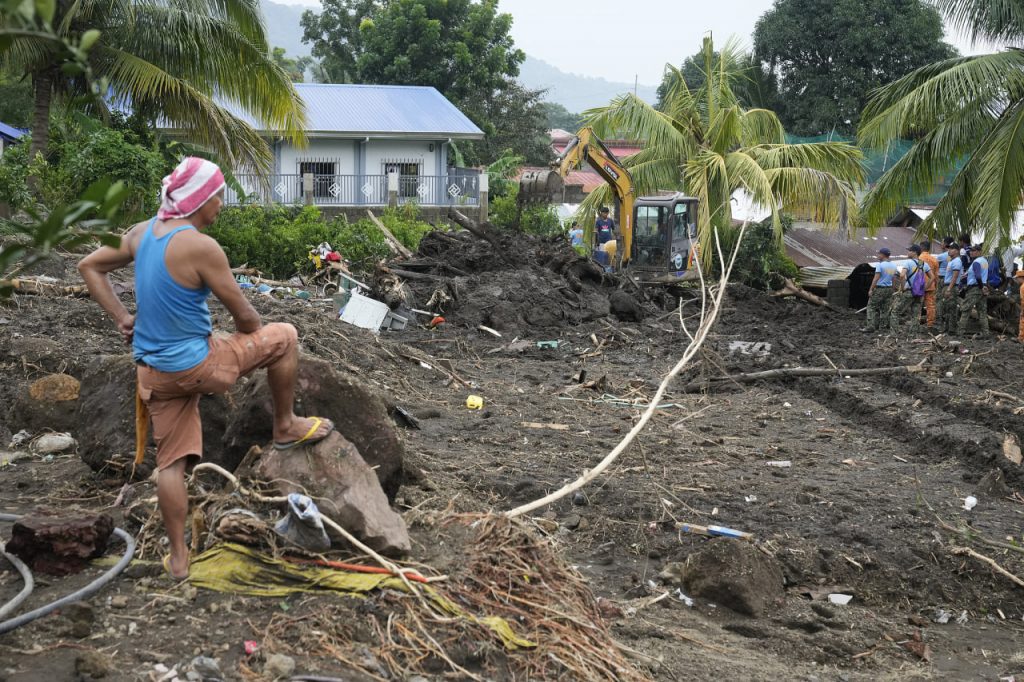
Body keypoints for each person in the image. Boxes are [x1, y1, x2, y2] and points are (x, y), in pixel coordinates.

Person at [78, 157, 335, 580]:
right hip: (200, 366)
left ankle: (179, 559)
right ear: (203, 197)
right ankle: (285, 424)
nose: (221, 204)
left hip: (153, 372)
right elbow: (247, 318)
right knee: (285, 335)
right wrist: (246, 331)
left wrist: (124, 318)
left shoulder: (141, 233)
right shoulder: (200, 246)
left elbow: (88, 265)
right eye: (220, 196)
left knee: (170, 467)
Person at [891, 244, 932, 337]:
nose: (908, 252)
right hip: (919, 292)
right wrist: (925, 288)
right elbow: (932, 277)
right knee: (916, 314)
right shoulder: (924, 264)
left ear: (914, 252)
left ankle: (894, 333)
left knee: (895, 311)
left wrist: (902, 287)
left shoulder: (908, 263)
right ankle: (912, 334)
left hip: (909, 291)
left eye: (909, 250)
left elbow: (902, 275)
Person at [863, 247, 898, 333]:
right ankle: (882, 327)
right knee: (885, 309)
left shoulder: (880, 265)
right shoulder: (893, 265)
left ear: (883, 255)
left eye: (879, 254)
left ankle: (870, 326)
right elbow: (894, 278)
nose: (878, 255)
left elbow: (876, 278)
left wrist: (871, 289)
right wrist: (893, 289)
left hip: (880, 289)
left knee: (871, 306)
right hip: (889, 289)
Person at [958, 244, 990, 337]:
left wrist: (980, 287)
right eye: (970, 251)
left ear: (979, 252)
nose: (971, 252)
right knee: (982, 311)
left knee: (965, 309)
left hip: (975, 288)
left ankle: (960, 331)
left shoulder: (976, 262)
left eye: (974, 250)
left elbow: (978, 276)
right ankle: (986, 333)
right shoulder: (984, 261)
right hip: (982, 287)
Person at [938, 241, 963, 335]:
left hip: (951, 287)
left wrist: (949, 289)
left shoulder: (957, 261)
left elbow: (955, 276)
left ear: (956, 251)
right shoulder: (952, 261)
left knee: (952, 308)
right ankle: (947, 328)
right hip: (947, 285)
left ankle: (952, 330)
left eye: (951, 249)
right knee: (947, 307)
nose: (949, 251)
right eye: (949, 249)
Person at [919, 239, 940, 328]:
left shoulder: (919, 258)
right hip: (931, 285)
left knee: (918, 304)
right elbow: (936, 275)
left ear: (921, 247)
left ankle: (917, 321)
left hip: (920, 285)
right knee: (930, 305)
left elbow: (918, 272)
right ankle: (930, 323)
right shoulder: (934, 259)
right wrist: (936, 285)